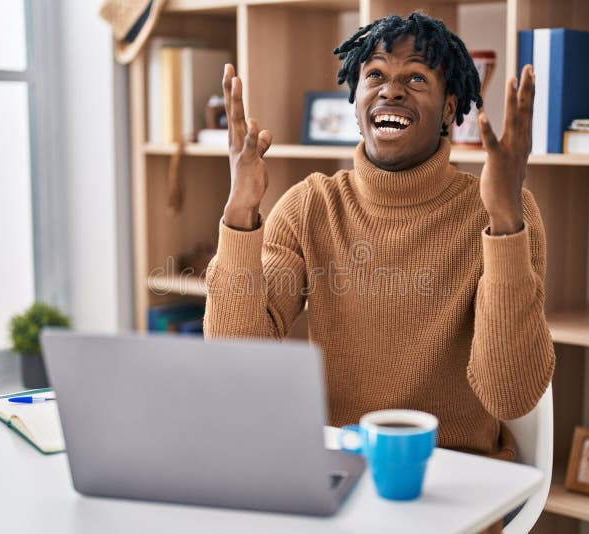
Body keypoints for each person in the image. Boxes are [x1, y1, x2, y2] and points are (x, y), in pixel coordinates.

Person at [204, 10, 554, 470]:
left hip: (456, 475)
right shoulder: (311, 205)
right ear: (354, 101)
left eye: (416, 77)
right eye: (375, 75)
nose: (392, 89)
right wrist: (240, 211)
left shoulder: (503, 212)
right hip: (340, 469)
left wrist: (505, 220)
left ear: (450, 107)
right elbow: (236, 363)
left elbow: (509, 394)